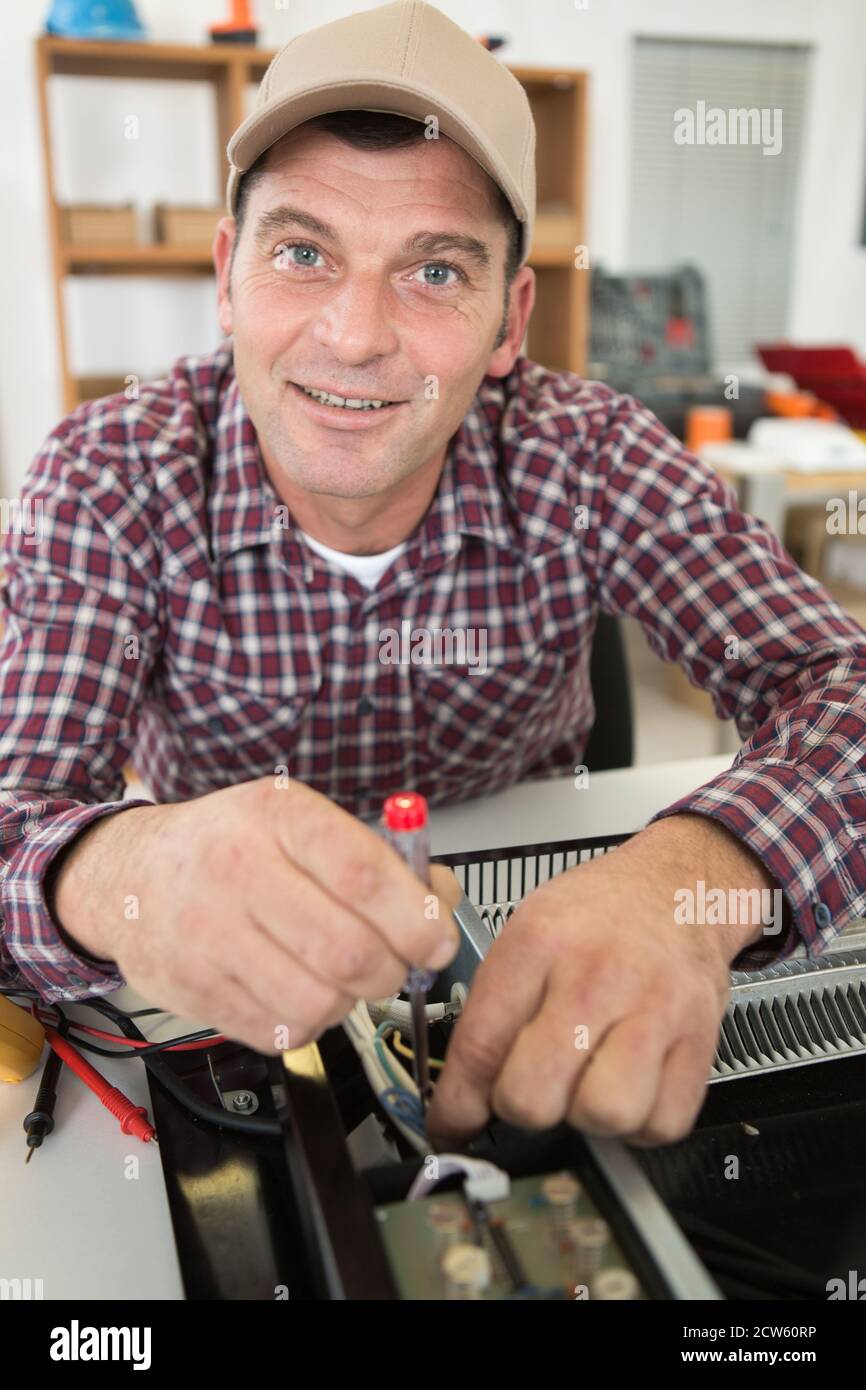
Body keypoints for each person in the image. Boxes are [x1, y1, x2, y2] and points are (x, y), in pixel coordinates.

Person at [1, 1, 864, 1151]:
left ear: (511, 319)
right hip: (225, 988)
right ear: (226, 273)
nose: (353, 336)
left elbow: (837, 681)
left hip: (534, 935)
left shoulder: (587, 450)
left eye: (434, 270)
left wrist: (695, 876)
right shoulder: (110, 472)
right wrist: (121, 868)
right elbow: (14, 824)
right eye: (301, 252)